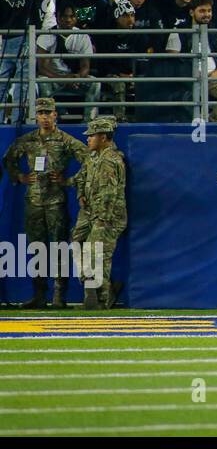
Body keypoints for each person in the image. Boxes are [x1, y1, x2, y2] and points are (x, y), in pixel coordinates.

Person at [3, 96, 89, 307]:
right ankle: (39, 294)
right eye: (40, 113)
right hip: (33, 201)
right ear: (37, 116)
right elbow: (8, 159)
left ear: (55, 115)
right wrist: (19, 177)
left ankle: (59, 295)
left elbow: (88, 160)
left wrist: (68, 180)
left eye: (47, 113)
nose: (44, 117)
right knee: (37, 248)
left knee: (59, 247)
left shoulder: (65, 140)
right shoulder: (28, 140)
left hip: (55, 202)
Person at [69, 115, 127, 309]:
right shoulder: (93, 157)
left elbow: (109, 193)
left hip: (107, 215)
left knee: (98, 253)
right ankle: (96, 287)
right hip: (89, 211)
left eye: (92, 136)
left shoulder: (111, 160)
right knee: (77, 244)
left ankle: (101, 298)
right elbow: (81, 177)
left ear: (103, 137)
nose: (88, 139)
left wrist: (102, 219)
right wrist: (80, 195)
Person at [166, 0, 217, 121]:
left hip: (213, 76)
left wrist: (214, 75)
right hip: (188, 78)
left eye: (209, 11)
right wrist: (193, 73)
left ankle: (213, 122)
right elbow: (172, 59)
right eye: (202, 11)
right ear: (191, 12)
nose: (207, 14)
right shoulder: (179, 31)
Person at [0, 0, 41, 122]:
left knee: (1, 82)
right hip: (22, 34)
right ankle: (18, 121)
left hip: (3, 35)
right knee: (23, 83)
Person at [36, 2, 99, 116]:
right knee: (43, 83)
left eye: (72, 16)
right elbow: (42, 68)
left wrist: (78, 77)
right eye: (65, 16)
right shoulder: (47, 35)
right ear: (58, 18)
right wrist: (63, 79)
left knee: (95, 83)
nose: (68, 20)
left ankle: (89, 121)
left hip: (74, 79)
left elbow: (85, 66)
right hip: (53, 78)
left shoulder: (82, 36)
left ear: (76, 18)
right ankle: (47, 121)